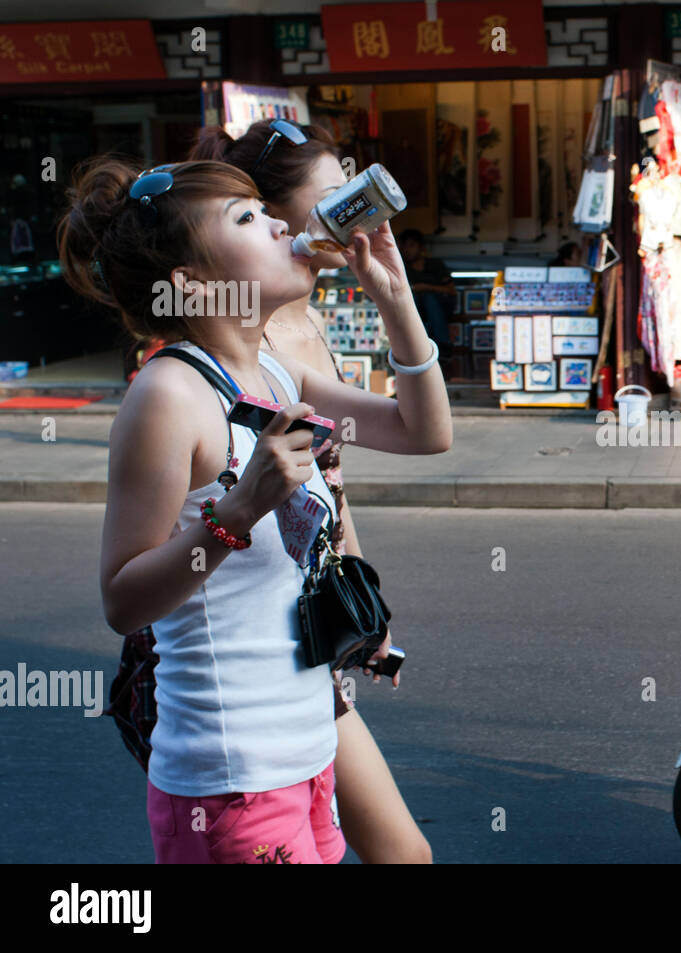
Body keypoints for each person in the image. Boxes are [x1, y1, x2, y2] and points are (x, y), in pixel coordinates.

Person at [58, 157, 452, 863]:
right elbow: (124, 601)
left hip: (309, 757)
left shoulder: (272, 370)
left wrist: (395, 298)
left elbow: (422, 431)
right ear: (194, 283)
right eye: (247, 217)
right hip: (229, 784)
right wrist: (236, 512)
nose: (282, 222)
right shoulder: (170, 395)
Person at [187, 122, 435, 863]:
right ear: (271, 219)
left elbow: (342, 481)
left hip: (304, 640)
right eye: (335, 201)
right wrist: (231, 520)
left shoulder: (300, 331)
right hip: (256, 676)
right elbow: (130, 589)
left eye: (352, 191)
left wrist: (360, 603)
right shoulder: (233, 351)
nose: (355, 216)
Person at [397, 228, 456, 350]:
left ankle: (443, 344)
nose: (407, 250)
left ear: (421, 247)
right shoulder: (403, 268)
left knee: (428, 298)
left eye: (411, 245)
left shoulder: (435, 264)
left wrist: (425, 287)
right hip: (417, 307)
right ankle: (415, 345)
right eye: (404, 246)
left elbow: (451, 290)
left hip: (443, 306)